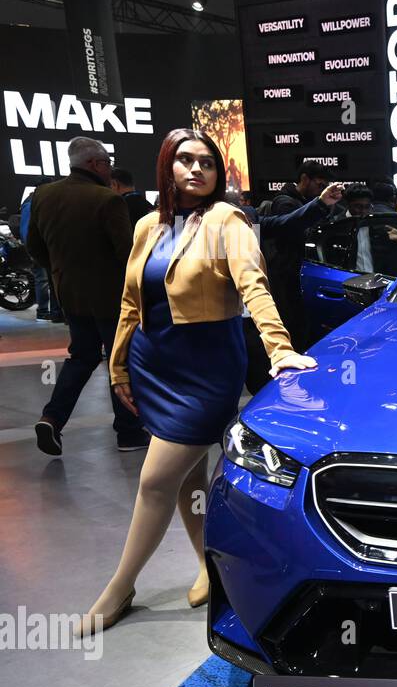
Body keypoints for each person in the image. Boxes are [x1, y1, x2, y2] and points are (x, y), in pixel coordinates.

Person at [81, 128, 318, 635]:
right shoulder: (147, 224)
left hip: (205, 373)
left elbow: (255, 284)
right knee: (189, 476)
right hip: (153, 364)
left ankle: (120, 587)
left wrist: (279, 349)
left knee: (153, 481)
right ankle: (207, 569)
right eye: (185, 160)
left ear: (218, 172)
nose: (196, 170)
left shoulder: (226, 220)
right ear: (167, 166)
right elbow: (130, 301)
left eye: (206, 162)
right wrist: (119, 366)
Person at [26, 137, 148, 454]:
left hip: (71, 297)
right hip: (111, 300)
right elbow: (127, 255)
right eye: (107, 162)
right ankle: (129, 433)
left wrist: (62, 273)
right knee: (119, 362)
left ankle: (52, 418)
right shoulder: (107, 200)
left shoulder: (44, 196)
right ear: (94, 165)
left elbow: (35, 248)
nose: (110, 169)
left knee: (82, 357)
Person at [259, 161, 332, 351]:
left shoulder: (302, 203)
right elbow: (292, 228)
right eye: (319, 185)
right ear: (304, 179)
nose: (321, 190)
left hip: (296, 275)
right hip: (285, 277)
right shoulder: (285, 202)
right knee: (292, 330)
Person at [21, 176, 62, 321]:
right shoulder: (31, 203)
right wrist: (32, 249)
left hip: (47, 248)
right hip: (38, 249)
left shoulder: (39, 201)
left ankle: (54, 311)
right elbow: (27, 229)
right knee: (43, 280)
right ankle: (43, 311)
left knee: (50, 280)